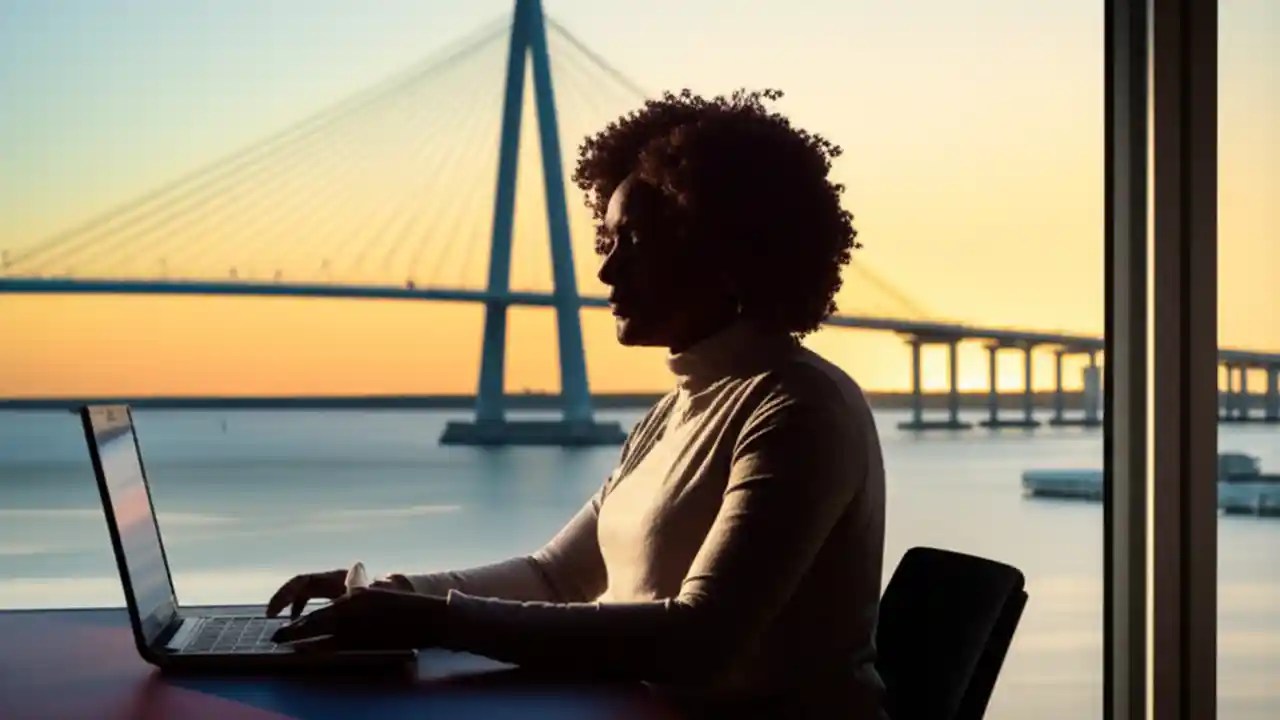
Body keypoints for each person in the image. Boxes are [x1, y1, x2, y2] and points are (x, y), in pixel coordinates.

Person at [268, 88, 887, 718]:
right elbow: (554, 578)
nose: (605, 273)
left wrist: (433, 623)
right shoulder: (675, 410)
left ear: (725, 250)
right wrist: (389, 597)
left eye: (635, 242)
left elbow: (700, 643)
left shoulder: (799, 408)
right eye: (607, 242)